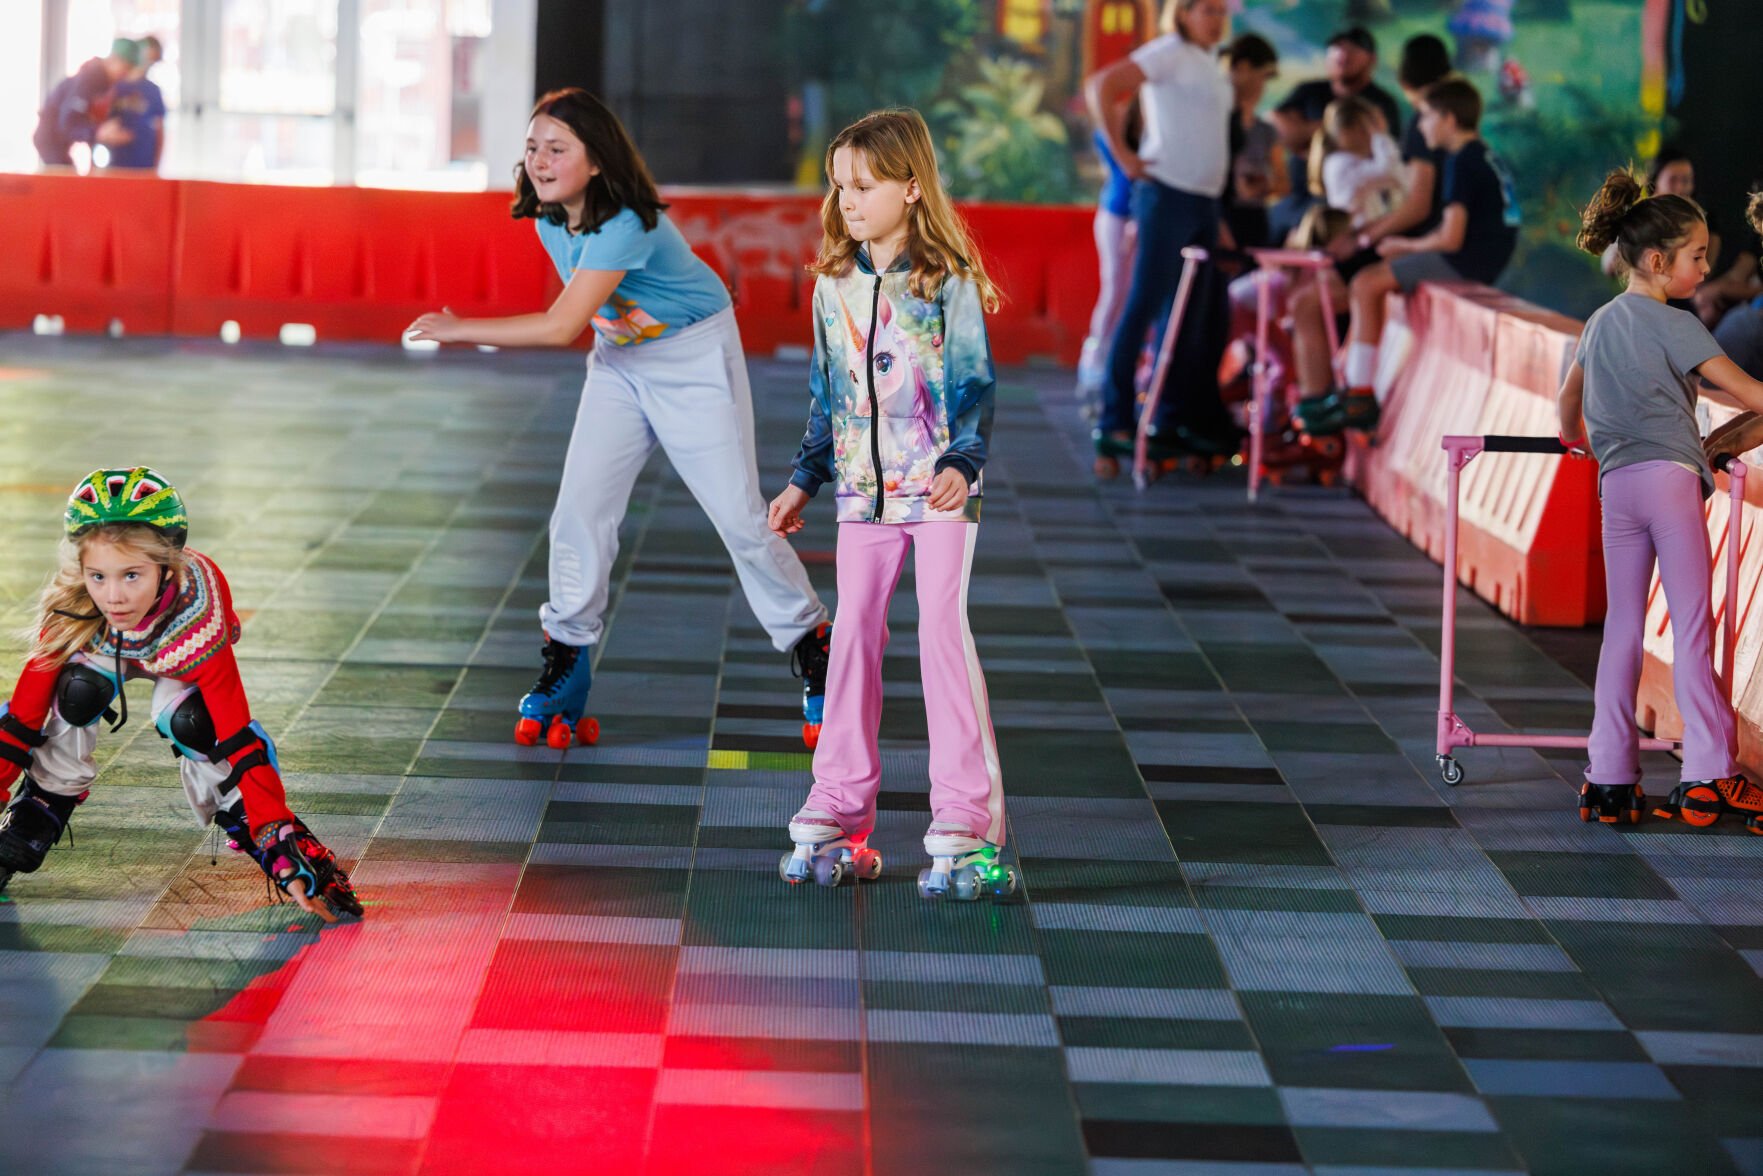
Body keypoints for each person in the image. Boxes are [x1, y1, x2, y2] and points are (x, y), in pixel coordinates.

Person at [407, 89, 832, 751]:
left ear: (597, 160)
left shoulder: (625, 221)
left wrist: (461, 329)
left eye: (557, 149)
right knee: (578, 512)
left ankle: (814, 648)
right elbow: (591, 320)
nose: (540, 161)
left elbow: (560, 324)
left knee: (740, 519)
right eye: (531, 148)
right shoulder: (550, 217)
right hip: (620, 359)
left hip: (692, 357)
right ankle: (567, 659)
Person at [766, 109, 1012, 901]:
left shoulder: (947, 283)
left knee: (942, 635)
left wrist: (960, 461)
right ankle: (838, 803)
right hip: (859, 496)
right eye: (838, 187)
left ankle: (967, 818)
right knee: (852, 642)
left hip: (938, 490)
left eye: (863, 187)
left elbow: (971, 388)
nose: (847, 201)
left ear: (911, 187)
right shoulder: (832, 285)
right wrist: (806, 477)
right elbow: (825, 396)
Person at [0, 468, 361, 919]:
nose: (113, 596)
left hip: (175, 644)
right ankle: (39, 808)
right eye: (98, 575)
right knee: (76, 693)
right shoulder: (74, 605)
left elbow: (238, 737)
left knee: (196, 722)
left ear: (166, 565)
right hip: (103, 646)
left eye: (132, 575)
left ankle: (266, 833)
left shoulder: (199, 616)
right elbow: (20, 722)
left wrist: (276, 835)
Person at [1559, 172, 1763, 830]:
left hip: (1614, 486)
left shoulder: (1597, 323)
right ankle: (1705, 775)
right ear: (1656, 262)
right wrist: (1728, 435)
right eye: (1696, 256)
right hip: (1673, 483)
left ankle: (1608, 775)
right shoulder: (1676, 327)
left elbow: (1567, 412)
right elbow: (1755, 397)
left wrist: (1588, 439)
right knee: (1690, 628)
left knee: (1621, 628)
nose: (1705, 268)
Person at [1295, 76, 1517, 436]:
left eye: (1426, 117)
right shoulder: (1484, 154)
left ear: (1448, 119)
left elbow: (1450, 237)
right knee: (1378, 280)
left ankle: (1359, 392)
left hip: (1467, 260)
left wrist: (1405, 247)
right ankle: (1356, 385)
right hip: (1485, 256)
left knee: (1367, 284)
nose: (1421, 127)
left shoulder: (1461, 162)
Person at [1084, 0, 1237, 469]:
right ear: (1184, 13)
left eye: (1220, 11)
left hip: (1203, 201)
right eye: (1206, 10)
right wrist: (1125, 158)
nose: (1216, 19)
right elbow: (1102, 86)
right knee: (1145, 304)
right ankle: (1115, 422)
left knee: (1189, 315)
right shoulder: (1168, 51)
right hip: (1166, 193)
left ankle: (1168, 419)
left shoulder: (1210, 63)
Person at [1267, 26, 1402, 243]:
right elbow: (1275, 123)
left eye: (1352, 48)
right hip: (1302, 196)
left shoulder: (1381, 103)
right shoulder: (1309, 91)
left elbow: (1385, 158)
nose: (1342, 54)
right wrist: (1322, 131)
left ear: (1371, 59)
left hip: (1349, 205)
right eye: (1337, 47)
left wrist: (1305, 134)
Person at [1075, 105, 1140, 418]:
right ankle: (1093, 365)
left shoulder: (1149, 131)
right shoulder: (1113, 133)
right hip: (1116, 214)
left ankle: (1121, 366)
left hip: (1141, 217)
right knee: (1115, 289)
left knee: (1134, 293)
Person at [32, 38, 138, 168]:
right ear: (113, 59)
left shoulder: (105, 84)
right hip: (50, 140)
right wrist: (98, 132)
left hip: (62, 143)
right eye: (125, 67)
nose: (125, 74)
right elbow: (68, 122)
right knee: (65, 182)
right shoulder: (90, 77)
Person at [1222, 32, 1282, 253]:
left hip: (1253, 221)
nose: (1262, 86)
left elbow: (1282, 182)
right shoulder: (1214, 121)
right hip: (1218, 217)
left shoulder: (1265, 130)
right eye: (1262, 76)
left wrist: (1261, 186)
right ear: (1243, 68)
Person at [1310, 96, 1403, 228]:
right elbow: (1390, 172)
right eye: (1366, 128)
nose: (1369, 135)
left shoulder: (1355, 161)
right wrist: (1380, 134)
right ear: (1347, 132)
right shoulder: (1340, 164)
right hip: (1354, 238)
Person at [98, 36, 167, 173]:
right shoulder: (114, 87)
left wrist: (156, 166)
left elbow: (160, 130)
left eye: (152, 61)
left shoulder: (152, 91)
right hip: (115, 164)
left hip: (143, 164)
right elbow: (99, 124)